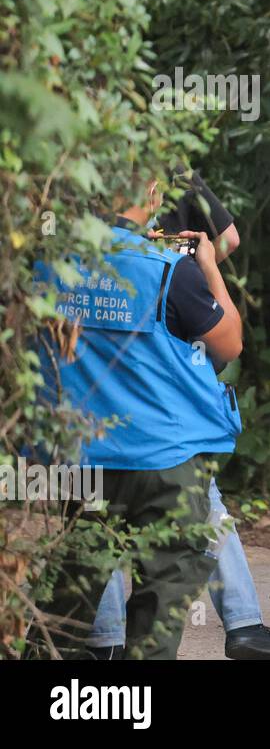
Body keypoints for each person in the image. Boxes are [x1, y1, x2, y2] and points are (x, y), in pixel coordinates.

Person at [85, 170, 270, 660]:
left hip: (91, 416)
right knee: (197, 505)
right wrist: (195, 270)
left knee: (94, 516)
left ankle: (103, 641)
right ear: (151, 192)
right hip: (166, 402)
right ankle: (241, 624)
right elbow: (228, 249)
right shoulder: (173, 198)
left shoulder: (69, 256)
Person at [28, 174, 244, 659]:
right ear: (153, 196)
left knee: (65, 605)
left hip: (85, 462)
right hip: (166, 462)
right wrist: (209, 268)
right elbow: (229, 343)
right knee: (158, 609)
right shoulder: (168, 269)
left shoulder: (49, 265)